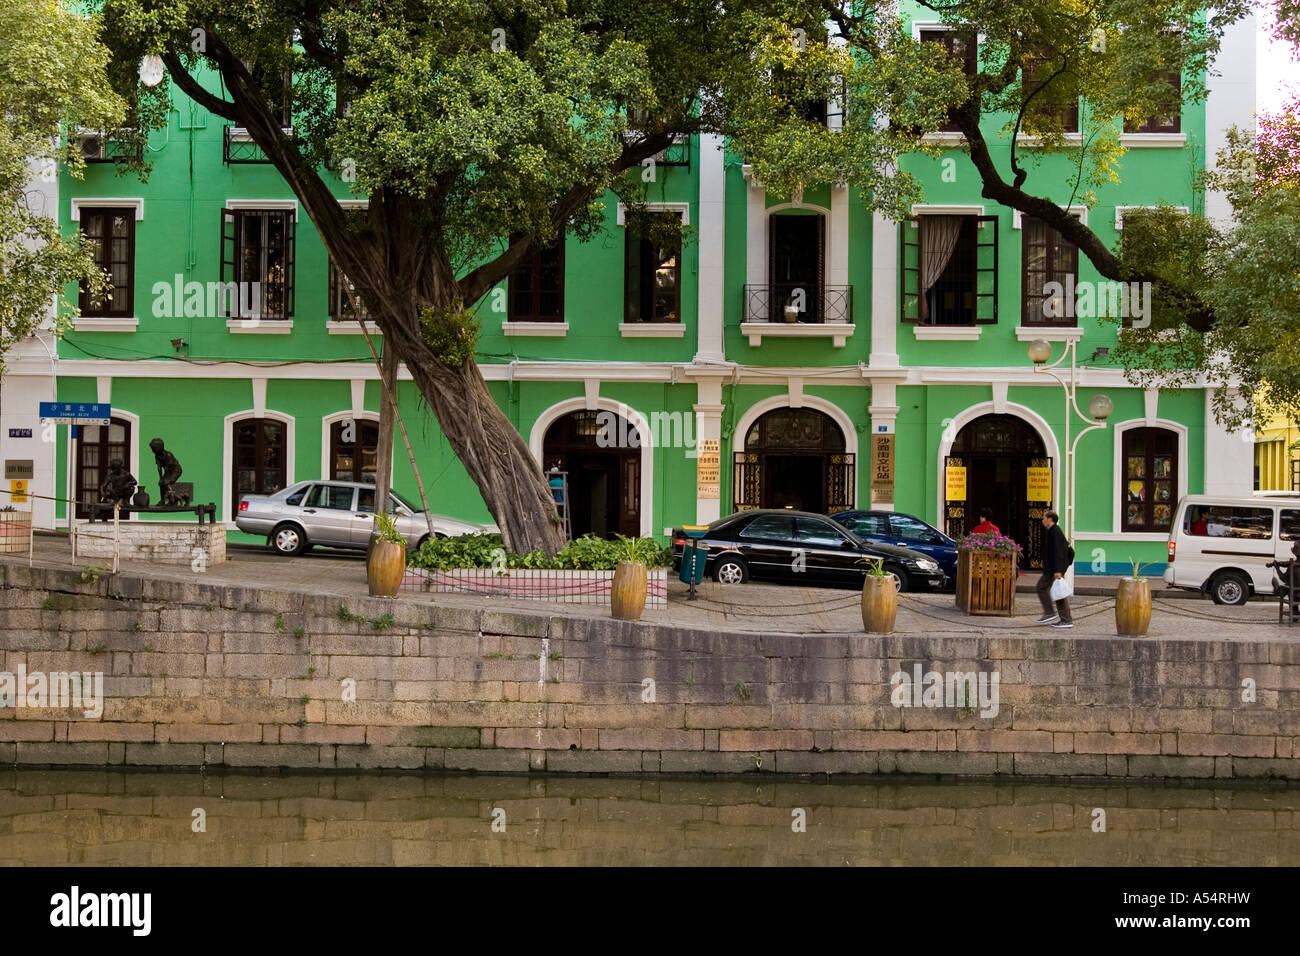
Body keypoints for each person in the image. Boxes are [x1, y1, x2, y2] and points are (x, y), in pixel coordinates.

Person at [1036, 510, 1074, 628]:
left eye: (1044, 518)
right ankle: (1065, 619)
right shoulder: (1052, 531)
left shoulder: (1055, 532)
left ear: (1050, 519)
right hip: (1054, 568)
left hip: (1054, 569)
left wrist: (1058, 570)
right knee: (1058, 592)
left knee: (1041, 587)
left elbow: (1059, 552)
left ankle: (1050, 613)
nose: (1043, 520)